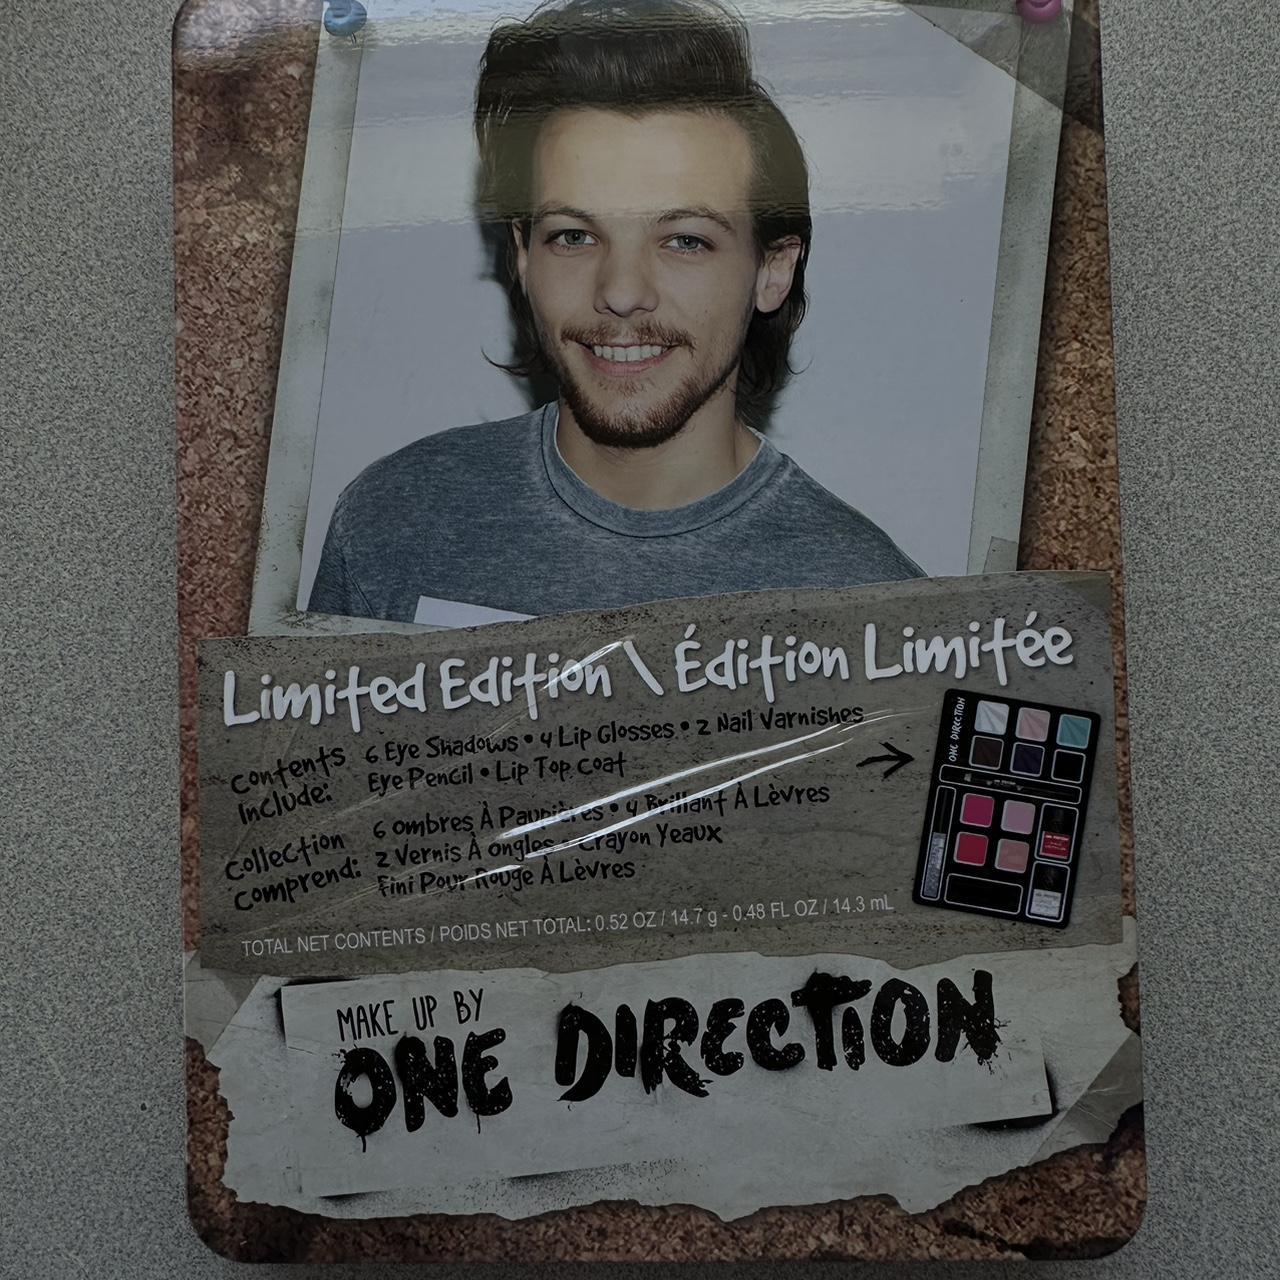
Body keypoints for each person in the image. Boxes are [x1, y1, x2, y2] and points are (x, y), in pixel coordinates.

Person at [309, 0, 922, 624]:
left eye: (685, 240)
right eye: (574, 236)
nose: (622, 292)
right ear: (522, 255)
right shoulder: (393, 525)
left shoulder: (875, 609)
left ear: (773, 270)